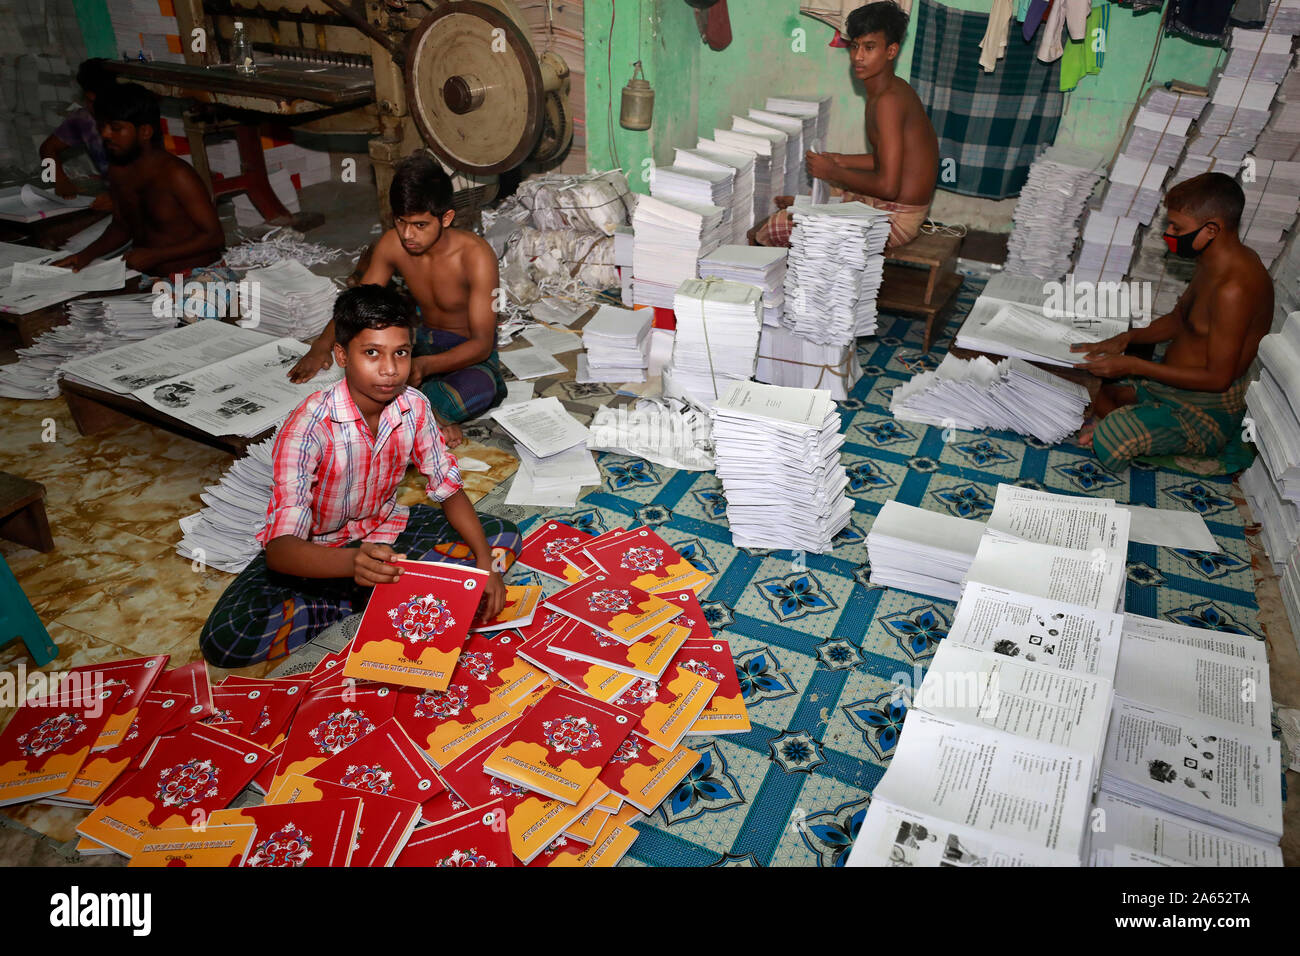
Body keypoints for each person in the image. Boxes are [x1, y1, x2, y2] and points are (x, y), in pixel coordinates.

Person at [200, 284, 521, 669]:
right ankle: (374, 593)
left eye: (400, 353)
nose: (390, 369)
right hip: (316, 552)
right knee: (227, 640)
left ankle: (368, 593)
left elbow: (449, 491)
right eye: (372, 353)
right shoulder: (307, 429)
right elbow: (282, 549)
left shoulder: (414, 407)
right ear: (341, 355)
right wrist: (352, 564)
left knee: (502, 537)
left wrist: (485, 564)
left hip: (384, 531)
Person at [289, 153, 507, 439]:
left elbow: (481, 345)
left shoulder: (476, 256)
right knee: (369, 364)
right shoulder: (392, 244)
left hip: (467, 354)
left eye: (420, 225)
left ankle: (414, 412)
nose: (407, 235)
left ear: (446, 218)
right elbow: (358, 302)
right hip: (421, 343)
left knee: (479, 388)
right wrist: (321, 345)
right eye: (400, 221)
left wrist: (423, 367)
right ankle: (427, 413)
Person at [1071, 173, 1273, 475]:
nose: (1169, 233)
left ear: (1211, 229)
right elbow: (1180, 319)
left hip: (1204, 408)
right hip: (1168, 387)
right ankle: (1140, 423)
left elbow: (1217, 379)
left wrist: (1134, 365)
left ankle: (1142, 431)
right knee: (1093, 390)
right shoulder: (1212, 259)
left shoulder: (1235, 289)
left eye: (1177, 227)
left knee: (1113, 437)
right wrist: (1126, 339)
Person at [751, 1, 938, 251]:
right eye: (854, 46)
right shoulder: (890, 90)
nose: (858, 57)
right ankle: (809, 206)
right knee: (827, 193)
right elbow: (891, 160)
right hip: (894, 204)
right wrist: (840, 160)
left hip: (897, 218)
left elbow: (888, 187)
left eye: (869, 47)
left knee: (775, 227)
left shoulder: (889, 102)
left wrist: (832, 172)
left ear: (891, 51)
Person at [52, 83, 224, 277]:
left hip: (198, 276)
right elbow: (122, 226)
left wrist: (156, 255)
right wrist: (84, 256)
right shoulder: (117, 170)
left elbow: (214, 237)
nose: (105, 134)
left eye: (115, 128)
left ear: (145, 132)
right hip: (149, 277)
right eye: (102, 126)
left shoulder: (177, 175)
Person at [40, 58, 115, 210]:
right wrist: (59, 179)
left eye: (100, 101)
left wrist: (120, 197)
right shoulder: (84, 119)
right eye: (89, 101)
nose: (94, 107)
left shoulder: (129, 121)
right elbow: (47, 148)